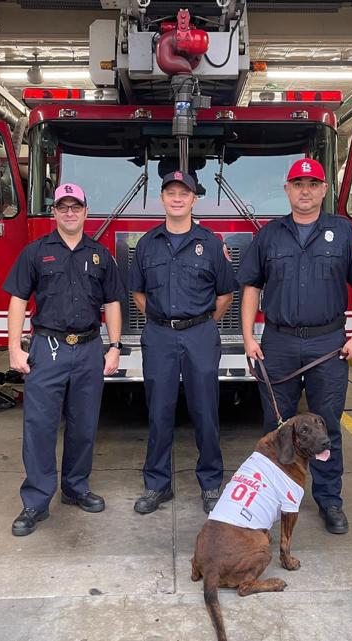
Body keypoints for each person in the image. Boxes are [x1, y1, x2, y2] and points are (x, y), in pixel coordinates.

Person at [236, 158, 352, 534]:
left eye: (312, 184)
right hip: (278, 344)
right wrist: (248, 337)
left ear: (324, 189)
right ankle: (275, 496)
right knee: (277, 427)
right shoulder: (269, 235)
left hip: (328, 344)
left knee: (326, 425)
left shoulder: (344, 232)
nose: (305, 190)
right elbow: (250, 286)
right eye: (298, 184)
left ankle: (330, 500)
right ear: (287, 190)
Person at [3, 183, 126, 536]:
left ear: (86, 212)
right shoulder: (35, 253)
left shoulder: (101, 255)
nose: (70, 212)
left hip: (89, 348)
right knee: (39, 426)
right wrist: (14, 346)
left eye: (76, 207)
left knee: (84, 424)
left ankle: (76, 488)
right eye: (63, 207)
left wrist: (114, 346)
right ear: (54, 212)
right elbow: (17, 299)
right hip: (47, 347)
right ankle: (36, 501)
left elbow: (114, 302)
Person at [129, 171, 237, 515]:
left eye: (184, 193)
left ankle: (210, 484)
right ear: (161, 199)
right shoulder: (146, 244)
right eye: (171, 192)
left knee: (205, 411)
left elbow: (225, 294)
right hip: (159, 334)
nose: (177, 198)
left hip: (200, 334)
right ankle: (157, 485)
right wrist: (166, 322)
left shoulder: (210, 242)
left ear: (194, 199)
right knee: (159, 411)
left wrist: (199, 324)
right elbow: (138, 293)